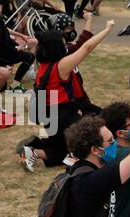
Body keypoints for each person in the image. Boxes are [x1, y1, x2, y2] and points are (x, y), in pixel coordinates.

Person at [21, 21, 113, 171]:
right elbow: (87, 48)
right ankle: (41, 152)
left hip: (49, 115)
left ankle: (35, 151)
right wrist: (107, 29)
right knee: (91, 132)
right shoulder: (61, 66)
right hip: (63, 115)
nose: (66, 46)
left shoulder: (43, 66)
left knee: (60, 150)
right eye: (63, 44)